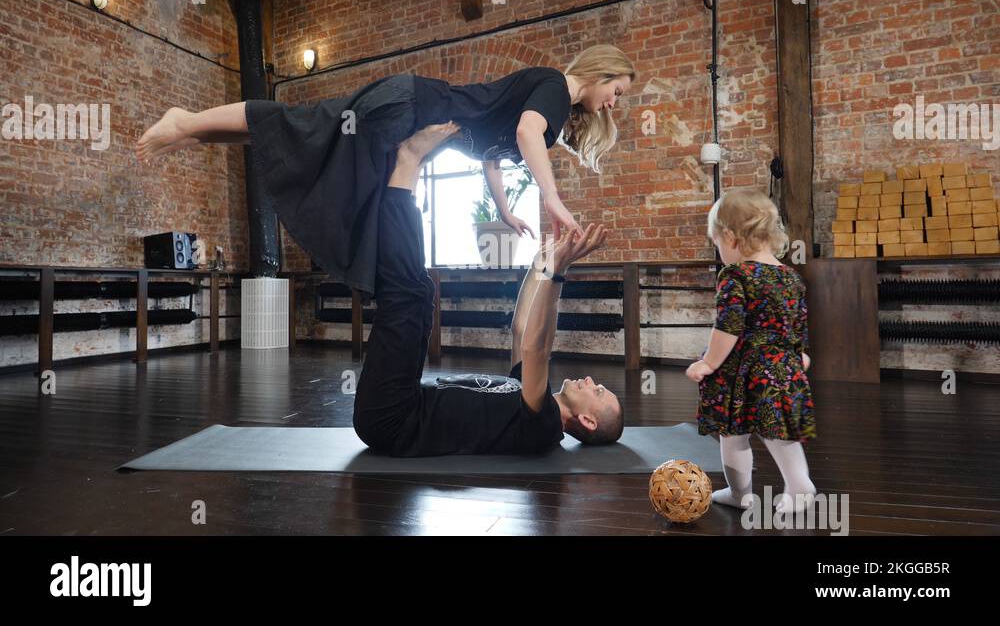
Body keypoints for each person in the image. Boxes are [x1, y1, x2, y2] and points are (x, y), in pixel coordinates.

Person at [134, 45, 635, 299]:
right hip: (408, 108)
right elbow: (527, 134)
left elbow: (491, 155)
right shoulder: (554, 86)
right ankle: (188, 122)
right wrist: (552, 200)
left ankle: (193, 130)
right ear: (602, 72)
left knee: (308, 137)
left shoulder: (550, 104)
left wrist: (506, 211)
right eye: (618, 90)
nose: (615, 102)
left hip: (405, 111)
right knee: (307, 130)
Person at [351, 121, 623, 456]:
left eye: (597, 393)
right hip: (403, 402)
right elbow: (522, 330)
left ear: (588, 421)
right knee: (421, 296)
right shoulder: (529, 394)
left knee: (409, 296)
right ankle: (408, 171)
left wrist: (557, 272)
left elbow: (537, 348)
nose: (591, 382)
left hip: (394, 418)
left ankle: (407, 163)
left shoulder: (544, 425)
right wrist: (540, 265)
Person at [685, 190, 817, 514]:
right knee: (779, 428)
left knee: (733, 434)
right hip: (783, 363)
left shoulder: (736, 276)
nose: (719, 251)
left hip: (744, 368)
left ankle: (741, 493)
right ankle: (798, 482)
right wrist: (800, 353)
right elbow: (797, 320)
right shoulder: (791, 277)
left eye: (716, 243)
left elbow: (728, 326)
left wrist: (709, 362)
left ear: (730, 238)